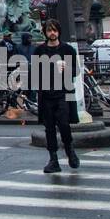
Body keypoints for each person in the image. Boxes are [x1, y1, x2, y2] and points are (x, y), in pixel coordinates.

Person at [32, 19, 79, 173]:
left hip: (64, 93)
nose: (52, 33)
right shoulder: (39, 51)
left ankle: (70, 151)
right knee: (49, 128)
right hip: (46, 94)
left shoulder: (68, 49)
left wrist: (68, 68)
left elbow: (76, 71)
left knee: (64, 124)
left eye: (55, 30)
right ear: (45, 32)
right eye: (49, 30)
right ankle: (53, 160)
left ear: (59, 32)